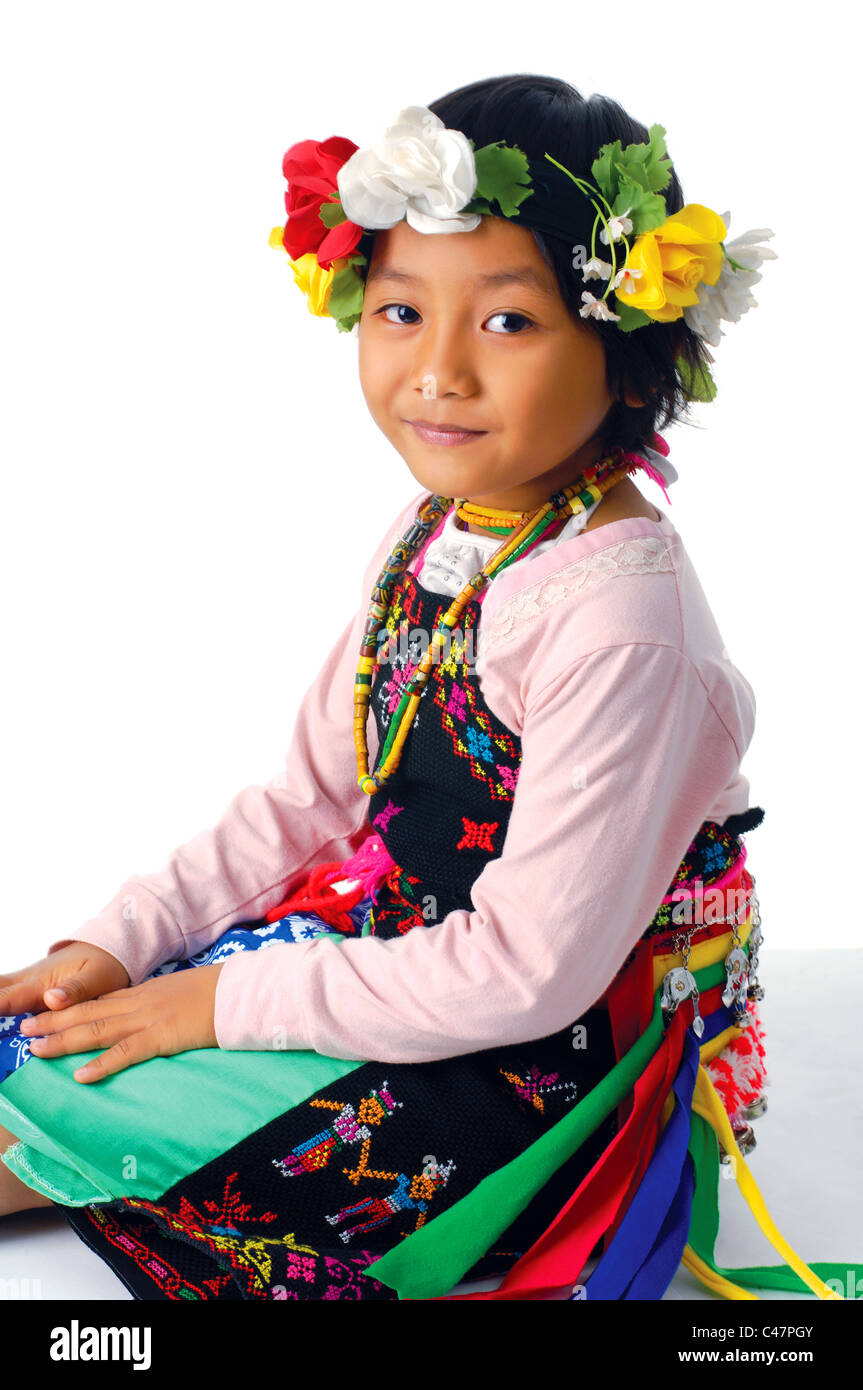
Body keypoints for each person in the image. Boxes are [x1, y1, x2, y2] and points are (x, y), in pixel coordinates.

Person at [0, 73, 857, 1302]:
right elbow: (304, 797)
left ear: (626, 355)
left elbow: (526, 970)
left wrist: (221, 1003)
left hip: (542, 1041)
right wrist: (123, 938)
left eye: (506, 323)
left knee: (107, 1097)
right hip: (404, 945)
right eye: (400, 309)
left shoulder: (619, 621)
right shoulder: (443, 528)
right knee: (51, 1034)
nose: (437, 371)